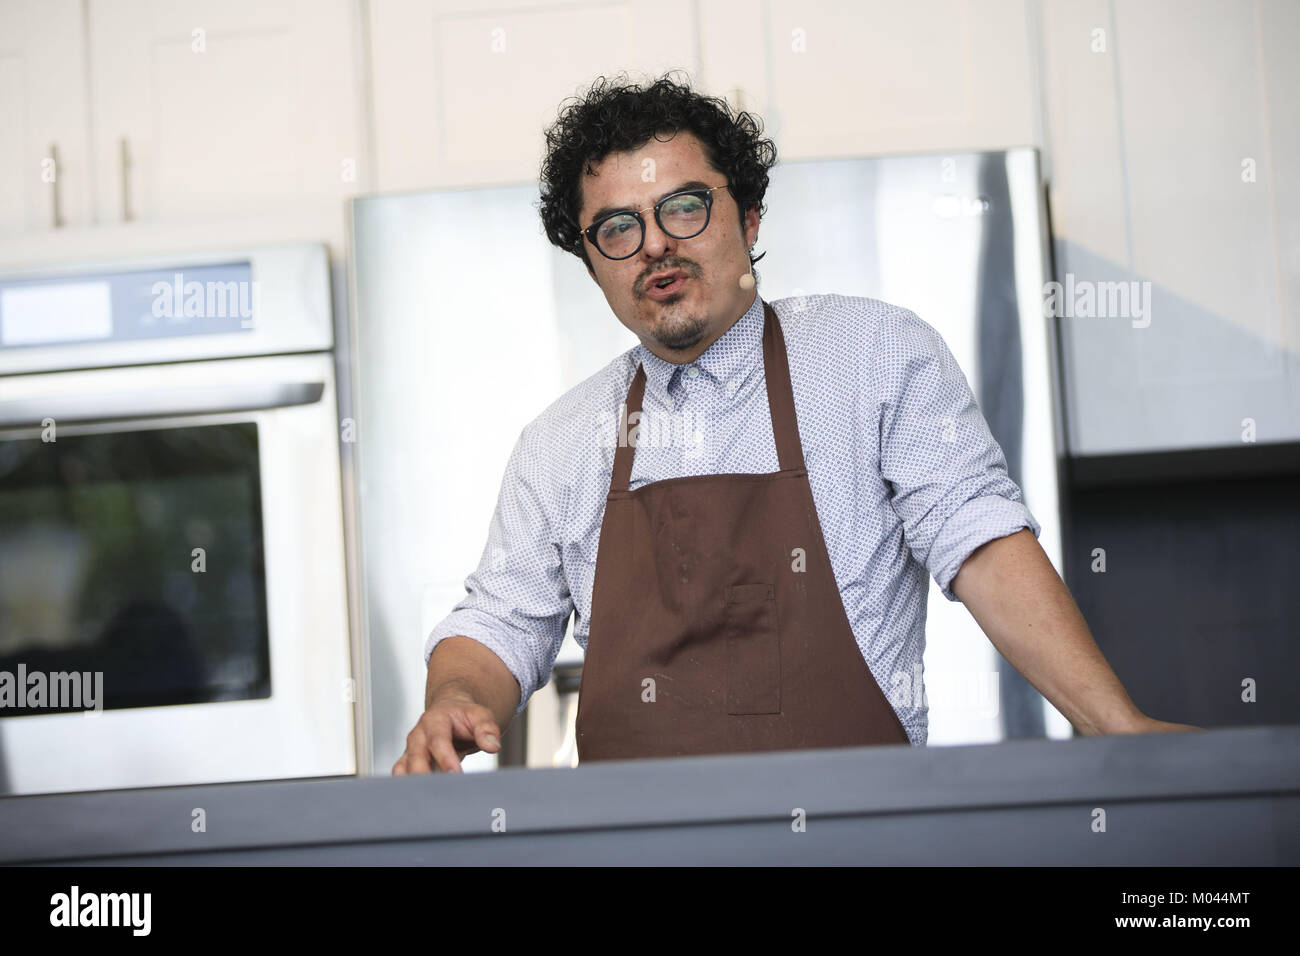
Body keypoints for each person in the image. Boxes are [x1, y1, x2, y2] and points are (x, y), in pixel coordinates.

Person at [393, 72, 1196, 775]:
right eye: (619, 228)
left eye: (685, 207)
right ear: (594, 261)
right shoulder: (560, 443)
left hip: (856, 837)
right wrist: (455, 697)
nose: (656, 247)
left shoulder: (874, 354)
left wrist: (1109, 721)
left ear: (748, 220)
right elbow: (501, 620)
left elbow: (978, 539)